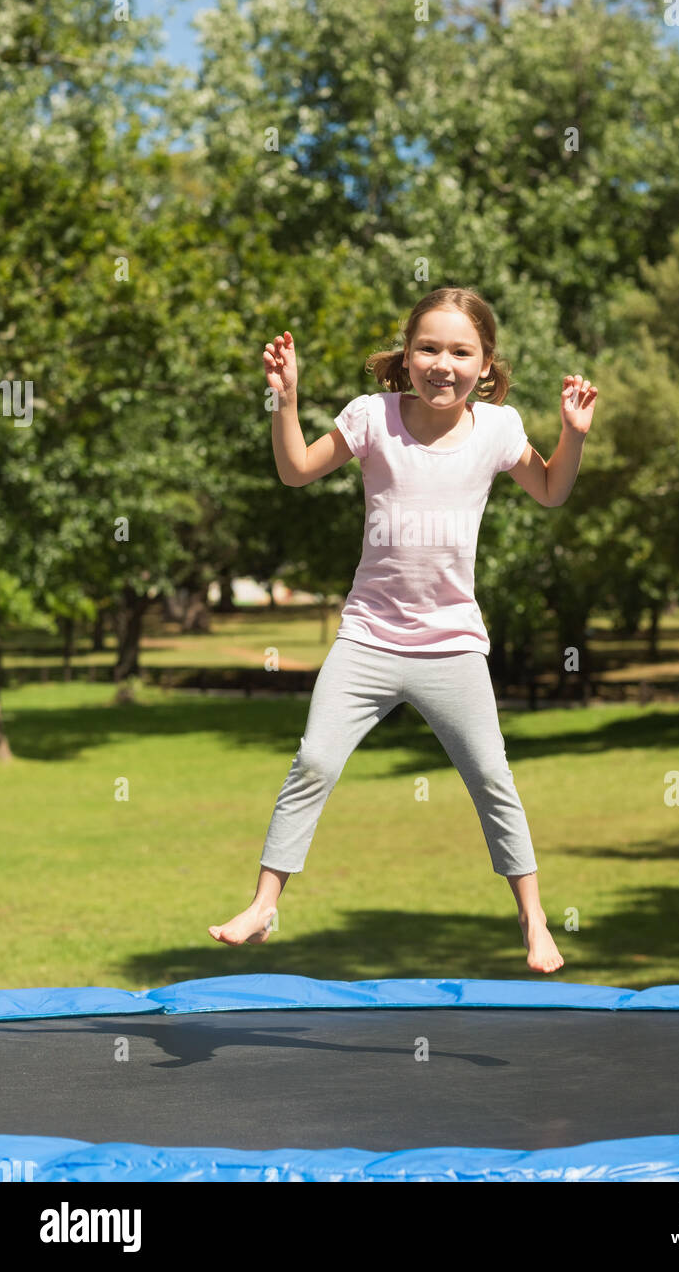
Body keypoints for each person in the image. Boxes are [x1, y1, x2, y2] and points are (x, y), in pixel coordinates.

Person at [209, 286, 597, 972]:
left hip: (452, 644)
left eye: (459, 351)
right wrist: (286, 400)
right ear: (406, 355)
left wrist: (572, 436)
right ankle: (265, 904)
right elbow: (296, 472)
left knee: (490, 777)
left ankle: (535, 922)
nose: (441, 363)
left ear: (485, 365)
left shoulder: (501, 429)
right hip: (368, 637)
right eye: (427, 348)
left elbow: (552, 491)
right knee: (315, 761)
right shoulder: (370, 419)